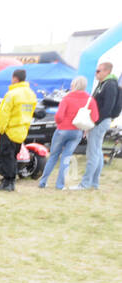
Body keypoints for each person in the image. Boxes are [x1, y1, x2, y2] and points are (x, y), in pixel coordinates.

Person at [39, 77, 97, 190]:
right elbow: (95, 117)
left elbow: (59, 116)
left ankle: (43, 182)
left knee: (53, 156)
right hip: (76, 131)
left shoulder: (67, 98)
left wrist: (60, 124)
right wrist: (85, 128)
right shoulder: (90, 99)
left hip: (62, 130)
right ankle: (59, 185)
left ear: (73, 85)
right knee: (66, 157)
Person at [0, 68, 38, 192]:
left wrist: (1, 129)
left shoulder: (12, 94)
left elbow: (4, 113)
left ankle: (7, 182)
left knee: (5, 157)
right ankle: (10, 182)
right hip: (22, 130)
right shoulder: (31, 94)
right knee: (12, 157)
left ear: (15, 78)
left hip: (9, 130)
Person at [76, 61, 119, 190]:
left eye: (98, 71)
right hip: (99, 120)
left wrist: (94, 122)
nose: (96, 73)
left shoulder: (110, 85)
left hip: (100, 121)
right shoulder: (103, 84)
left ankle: (85, 183)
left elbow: (107, 107)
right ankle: (94, 183)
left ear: (106, 71)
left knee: (92, 153)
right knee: (97, 152)